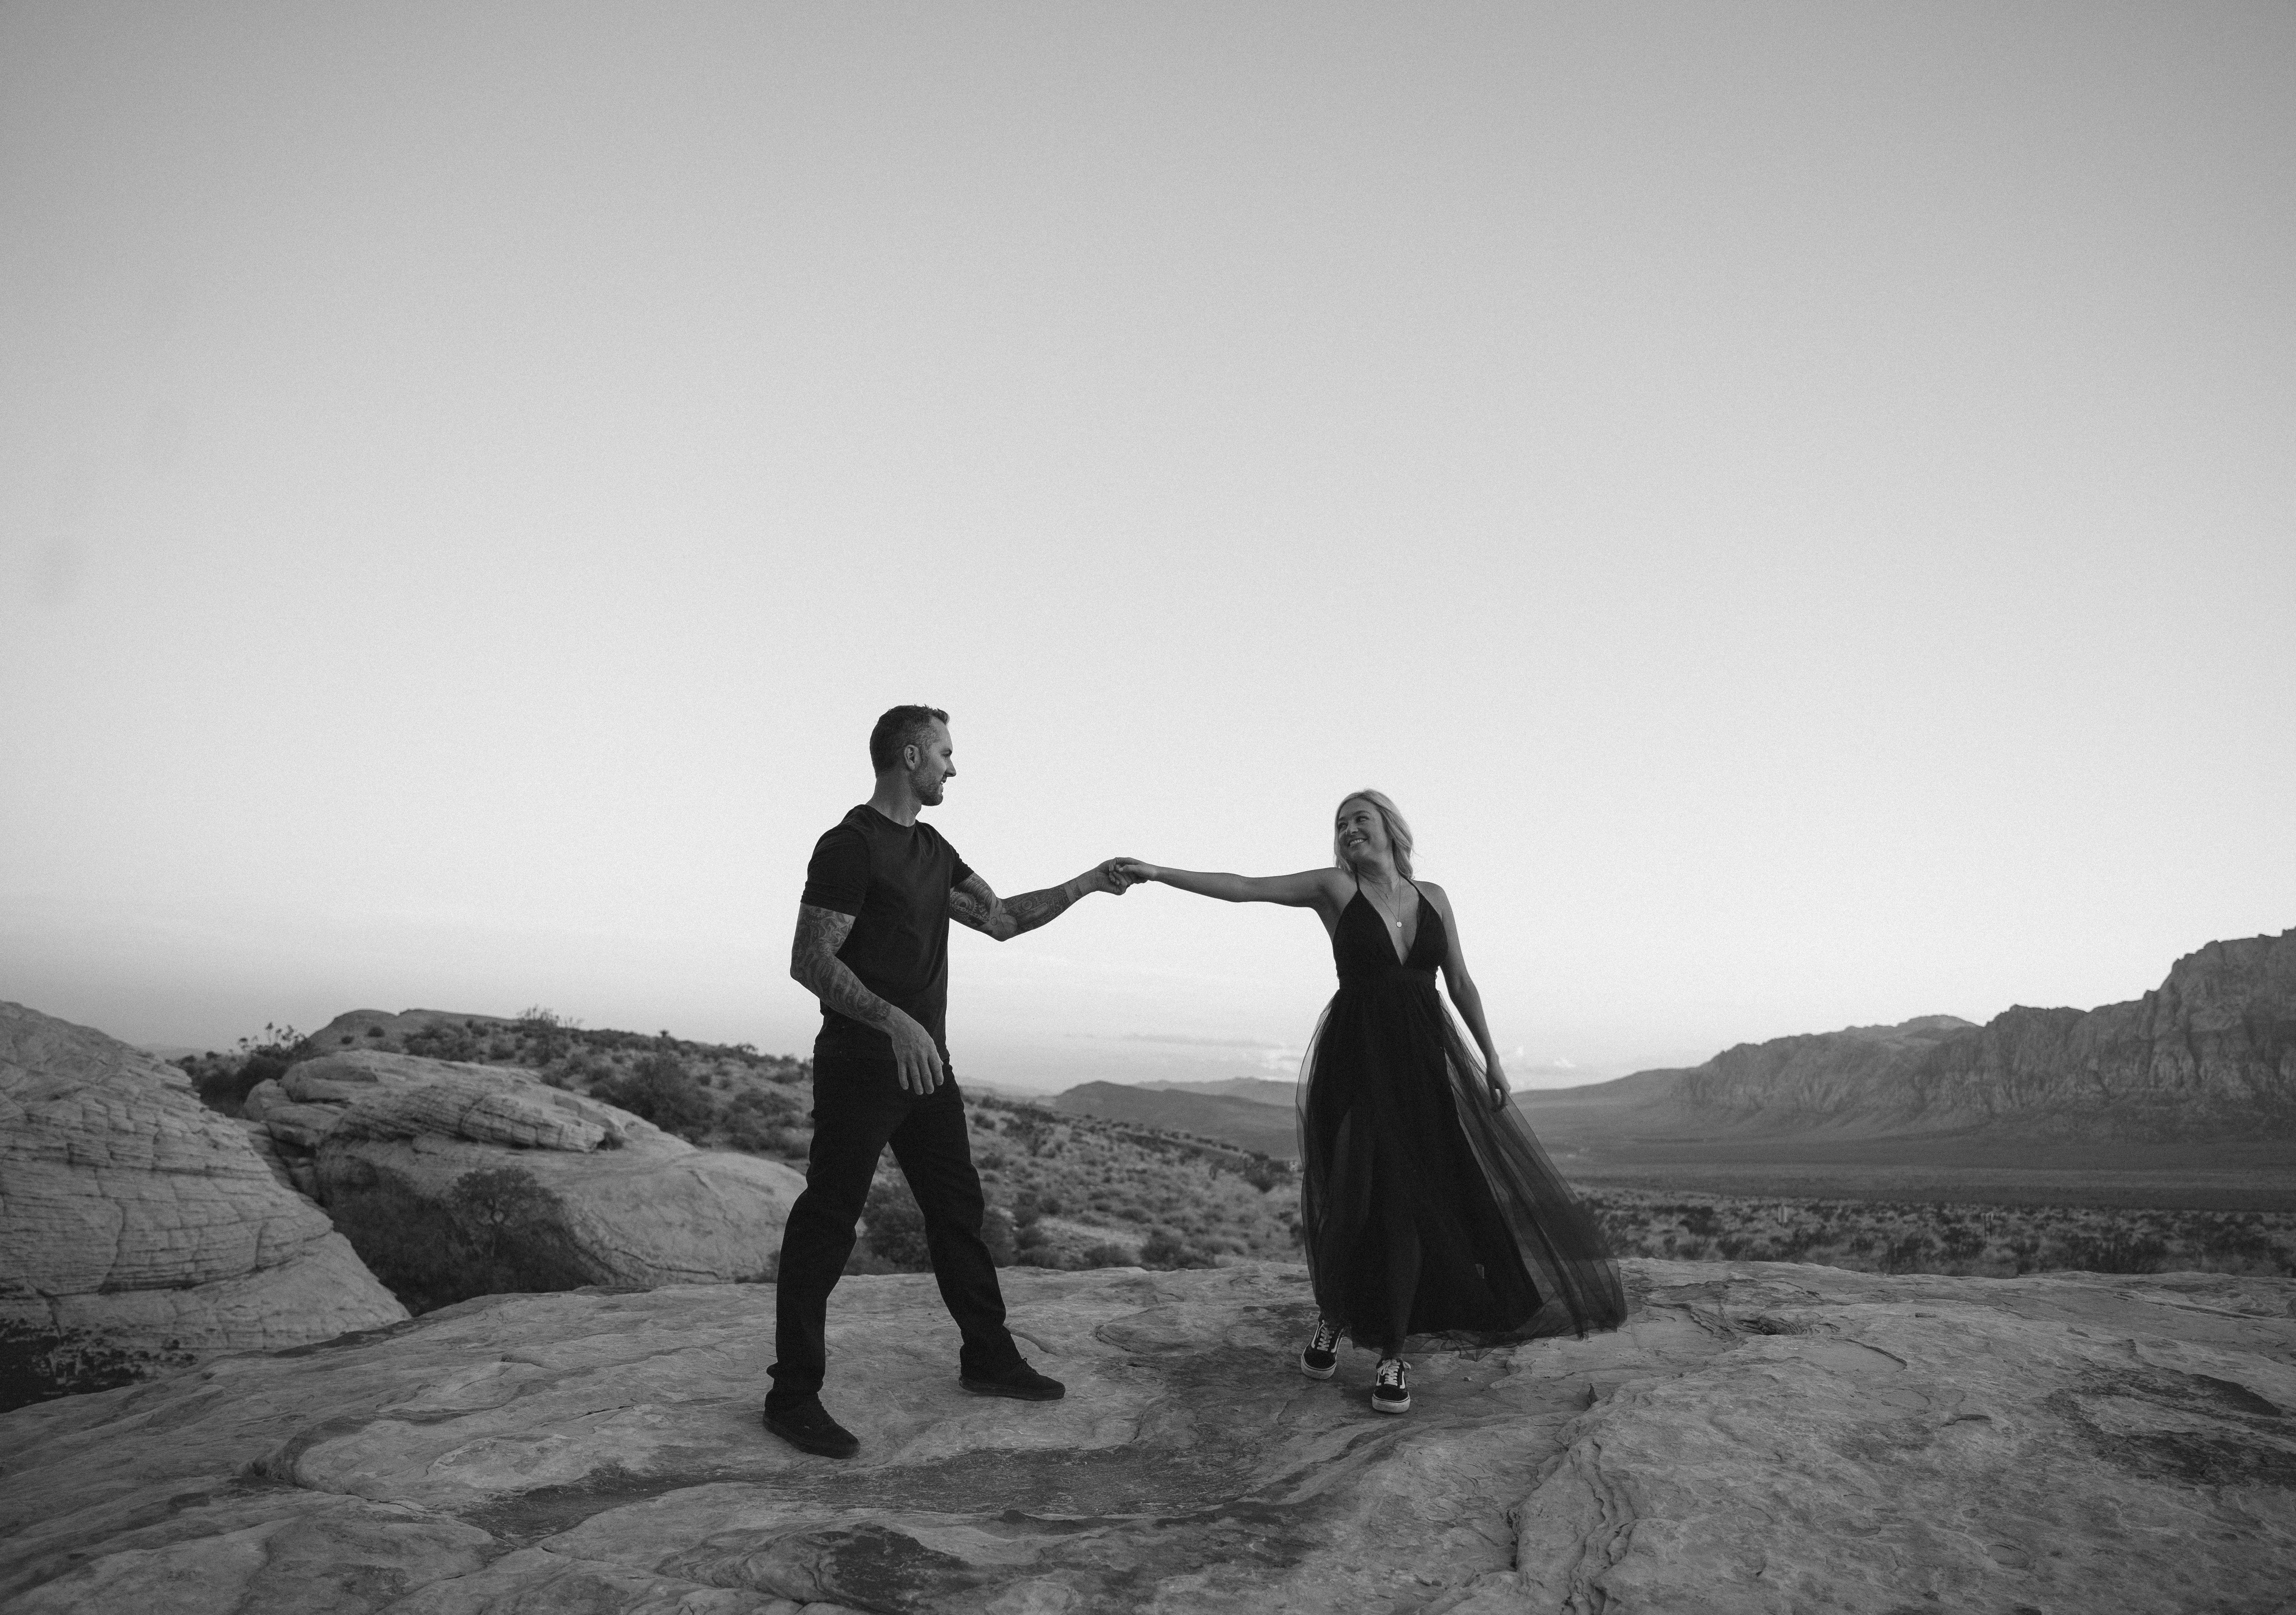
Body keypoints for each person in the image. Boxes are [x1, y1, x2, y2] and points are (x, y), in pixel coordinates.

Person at [1115, 791, 1624, 1414]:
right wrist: (1158, 873)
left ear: (1390, 827)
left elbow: (1459, 981)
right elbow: (1245, 886)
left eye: (1361, 817)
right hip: (1357, 1063)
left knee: (1412, 1206)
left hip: (1421, 1068)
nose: (1349, 828)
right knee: (1355, 1201)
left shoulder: (1433, 896)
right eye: (1339, 823)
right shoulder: (1334, 888)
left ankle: (1392, 1354)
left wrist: (1492, 1058)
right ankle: (1334, 1316)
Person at [766, 704, 1136, 1458]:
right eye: (944, 754)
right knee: (828, 1221)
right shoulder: (849, 846)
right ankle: (792, 1394)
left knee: (957, 1211)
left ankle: (987, 1358)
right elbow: (809, 960)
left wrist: (1089, 882)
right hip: (863, 1067)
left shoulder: (933, 849)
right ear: (909, 757)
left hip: (927, 1068)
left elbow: (1000, 920)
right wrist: (893, 1021)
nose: (953, 769)